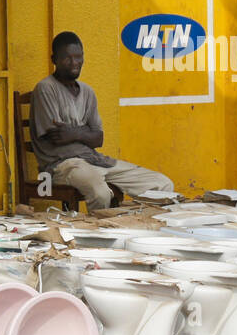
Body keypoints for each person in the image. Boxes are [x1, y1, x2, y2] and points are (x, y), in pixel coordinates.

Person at [30, 31, 174, 209]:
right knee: (101, 194)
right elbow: (57, 138)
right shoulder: (46, 89)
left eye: (79, 57)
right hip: (62, 165)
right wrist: (85, 133)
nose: (75, 63)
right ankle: (97, 234)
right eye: (67, 58)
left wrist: (73, 132)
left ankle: (143, 229)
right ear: (54, 60)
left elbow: (98, 139)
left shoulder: (88, 92)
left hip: (96, 161)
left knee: (162, 184)